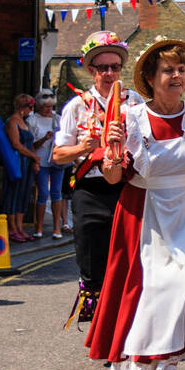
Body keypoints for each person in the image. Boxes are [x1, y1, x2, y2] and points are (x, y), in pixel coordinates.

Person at [85, 40, 185, 370]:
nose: (176, 76)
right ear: (150, 78)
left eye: (181, 70)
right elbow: (113, 177)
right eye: (167, 70)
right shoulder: (130, 118)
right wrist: (110, 150)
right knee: (159, 290)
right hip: (145, 215)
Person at [53, 33, 136, 323]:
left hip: (128, 187)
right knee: (92, 262)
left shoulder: (135, 103)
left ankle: (126, 327)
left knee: (129, 260)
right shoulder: (76, 106)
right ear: (91, 70)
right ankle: (100, 325)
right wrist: (82, 147)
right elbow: (57, 155)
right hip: (89, 189)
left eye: (115, 66)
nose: (110, 73)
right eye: (103, 68)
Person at [28, 91, 66, 239]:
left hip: (56, 162)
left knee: (57, 193)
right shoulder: (33, 121)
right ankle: (39, 228)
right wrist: (45, 138)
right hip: (41, 162)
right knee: (43, 193)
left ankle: (57, 228)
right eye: (45, 107)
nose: (48, 110)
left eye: (51, 107)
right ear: (39, 106)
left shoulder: (58, 119)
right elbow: (30, 145)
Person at [3, 94, 39, 242]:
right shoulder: (12, 122)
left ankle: (20, 227)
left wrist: (34, 160)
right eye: (31, 107)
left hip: (27, 164)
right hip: (17, 163)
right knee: (14, 194)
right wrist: (34, 157)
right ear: (23, 107)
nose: (32, 110)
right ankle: (12, 228)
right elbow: (16, 144)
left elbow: (30, 143)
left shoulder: (24, 122)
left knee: (23, 194)